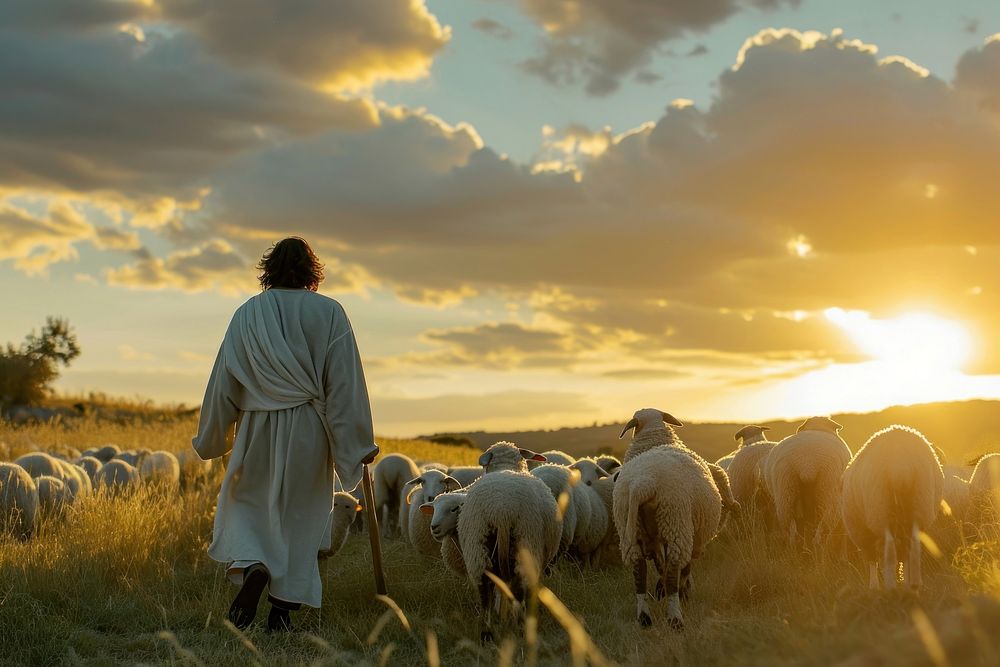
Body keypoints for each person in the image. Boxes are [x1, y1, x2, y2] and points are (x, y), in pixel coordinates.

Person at [192, 237, 377, 632]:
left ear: (268, 269)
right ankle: (280, 614)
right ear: (313, 271)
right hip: (310, 429)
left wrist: (211, 437)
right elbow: (345, 385)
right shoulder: (330, 312)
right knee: (299, 517)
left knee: (248, 505)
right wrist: (357, 444)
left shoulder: (246, 314)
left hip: (256, 427)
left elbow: (223, 380)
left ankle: (252, 565)